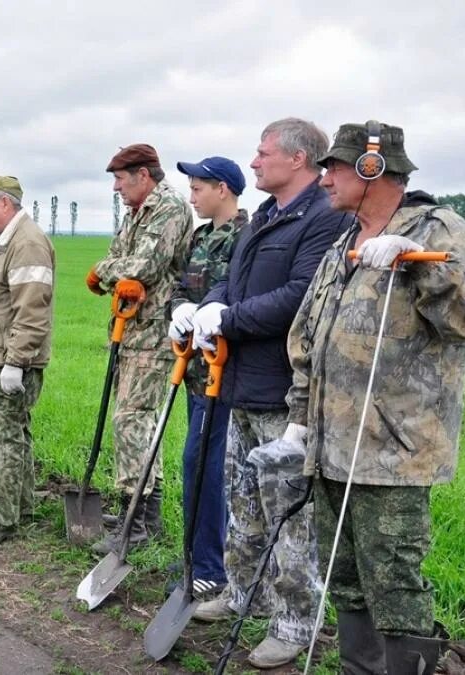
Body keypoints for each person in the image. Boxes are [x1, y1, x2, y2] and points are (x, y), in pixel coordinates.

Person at [286, 121, 465, 673]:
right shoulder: (344, 241)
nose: (322, 181)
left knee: (394, 580)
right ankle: (358, 668)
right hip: (329, 446)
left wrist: (418, 265)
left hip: (393, 450)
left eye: (332, 168)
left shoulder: (439, 229)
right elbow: (309, 332)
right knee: (344, 575)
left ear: (371, 168)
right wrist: (298, 417)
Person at [189, 118, 352, 669]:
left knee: (289, 515)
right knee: (243, 502)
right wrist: (205, 306)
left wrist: (228, 319)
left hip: (287, 392)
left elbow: (300, 298)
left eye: (262, 154)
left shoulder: (323, 219)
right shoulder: (264, 215)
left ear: (298, 159)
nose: (254, 163)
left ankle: (294, 622)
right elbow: (232, 280)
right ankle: (244, 594)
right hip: (241, 382)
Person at [87, 144, 192, 554]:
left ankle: (136, 521)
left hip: (153, 332)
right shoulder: (137, 212)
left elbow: (140, 266)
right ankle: (144, 513)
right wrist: (113, 267)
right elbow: (120, 256)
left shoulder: (168, 208)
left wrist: (102, 271)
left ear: (143, 176)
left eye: (120, 178)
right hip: (131, 329)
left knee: (131, 420)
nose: (116, 187)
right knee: (139, 423)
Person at [165, 156, 248, 597]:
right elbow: (183, 286)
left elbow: (237, 296)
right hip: (195, 371)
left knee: (208, 467)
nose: (192, 195)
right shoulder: (201, 238)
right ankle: (195, 561)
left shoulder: (246, 238)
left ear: (223, 189)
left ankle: (211, 569)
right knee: (196, 463)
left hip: (226, 375)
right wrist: (178, 308)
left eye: (198, 188)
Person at [0, 176, 54, 548]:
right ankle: (16, 507)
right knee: (13, 434)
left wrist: (15, 361)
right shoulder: (5, 241)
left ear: (5, 203)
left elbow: (32, 308)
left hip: (8, 359)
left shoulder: (26, 242)